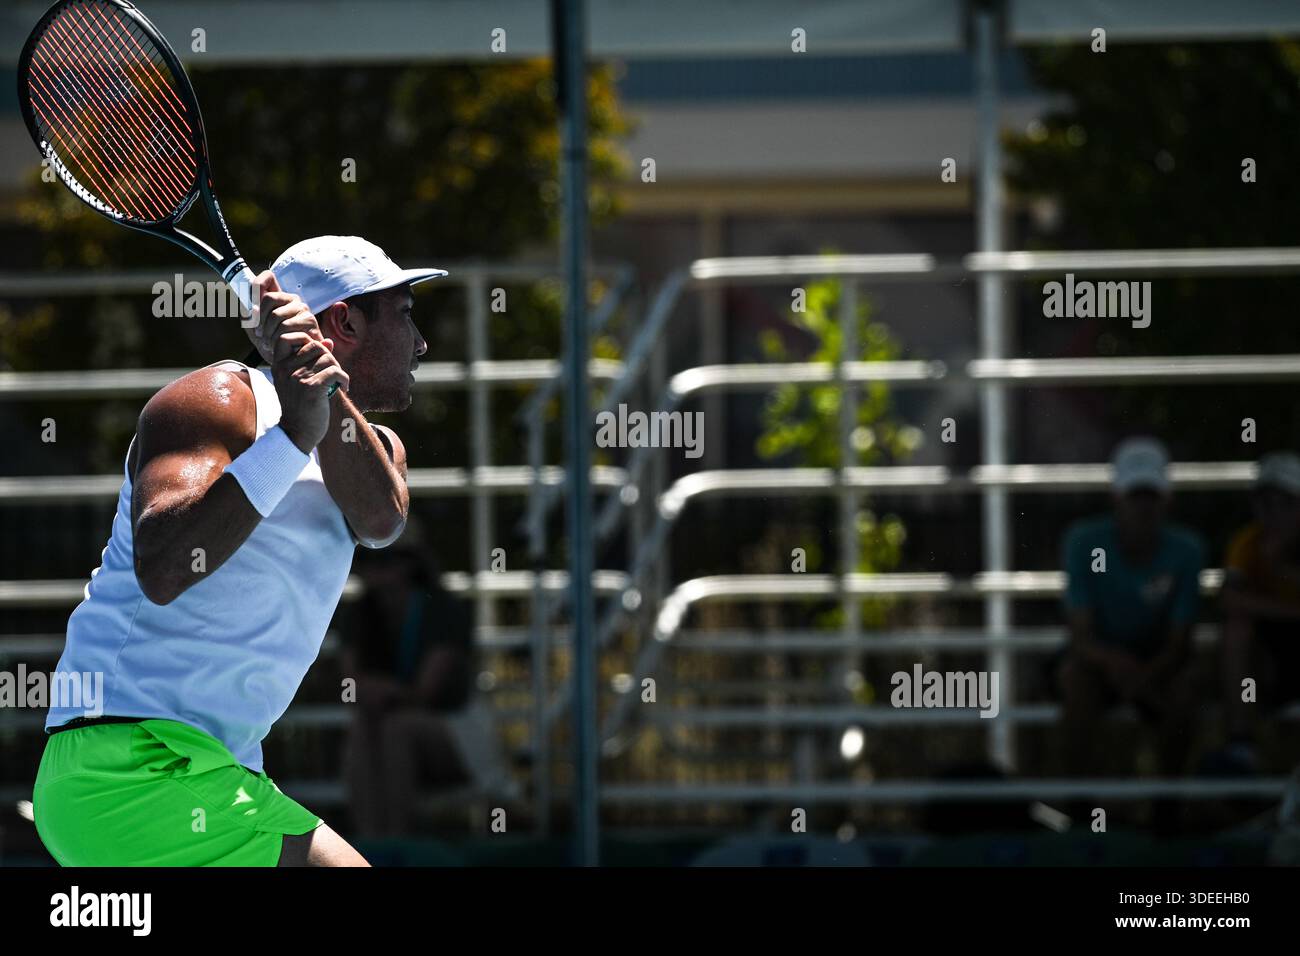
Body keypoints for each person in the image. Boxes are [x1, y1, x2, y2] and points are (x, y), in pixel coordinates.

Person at [33, 236, 445, 867]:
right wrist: (289, 438)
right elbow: (166, 568)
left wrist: (321, 397)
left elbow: (381, 520)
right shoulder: (214, 400)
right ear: (347, 320)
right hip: (126, 765)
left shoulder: (378, 448)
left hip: (208, 773)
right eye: (405, 313)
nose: (420, 343)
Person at [1056, 436, 1206, 778]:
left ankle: (1166, 809)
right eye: (1135, 496)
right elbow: (1080, 635)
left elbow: (1180, 641)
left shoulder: (1187, 550)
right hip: (1103, 666)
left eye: (1149, 496)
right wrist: (1118, 666)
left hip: (1159, 665)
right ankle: (1080, 807)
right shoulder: (1083, 541)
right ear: (1116, 498)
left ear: (1166, 499)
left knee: (1186, 689)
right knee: (1075, 682)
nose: (1142, 507)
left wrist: (1143, 674)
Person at [340, 525, 478, 838]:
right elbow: (351, 688)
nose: (372, 570)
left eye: (384, 559)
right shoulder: (360, 613)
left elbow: (426, 693)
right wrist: (374, 692)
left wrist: (380, 691)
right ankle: (374, 845)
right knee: (365, 728)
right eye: (365, 560)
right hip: (393, 723)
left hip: (458, 733)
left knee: (394, 729)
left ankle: (394, 842)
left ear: (410, 563)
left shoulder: (442, 609)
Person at [1216, 452, 1300, 771]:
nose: (1274, 513)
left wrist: (1279, 569)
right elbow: (1230, 600)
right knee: (1238, 631)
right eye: (1266, 503)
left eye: (1285, 503)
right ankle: (1241, 744)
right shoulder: (1248, 544)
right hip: (1271, 654)